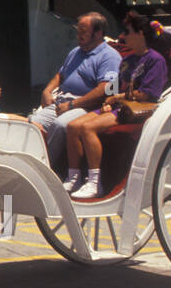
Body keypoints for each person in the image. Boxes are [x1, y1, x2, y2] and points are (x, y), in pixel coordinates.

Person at [64, 12, 170, 200]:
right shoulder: (127, 60)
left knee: (87, 128)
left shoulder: (155, 60)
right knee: (73, 126)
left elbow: (148, 94)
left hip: (137, 109)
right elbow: (113, 86)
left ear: (140, 34)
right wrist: (108, 100)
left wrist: (117, 98)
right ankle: (74, 178)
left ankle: (95, 183)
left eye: (128, 32)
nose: (123, 36)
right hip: (118, 106)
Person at [28, 12, 122, 173]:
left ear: (98, 33)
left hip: (87, 106)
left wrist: (72, 104)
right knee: (31, 124)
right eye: (78, 30)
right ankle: (27, 163)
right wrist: (47, 90)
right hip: (61, 101)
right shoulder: (75, 52)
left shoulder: (110, 57)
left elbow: (107, 89)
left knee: (60, 125)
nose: (78, 34)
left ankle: (42, 171)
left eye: (83, 31)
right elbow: (60, 75)